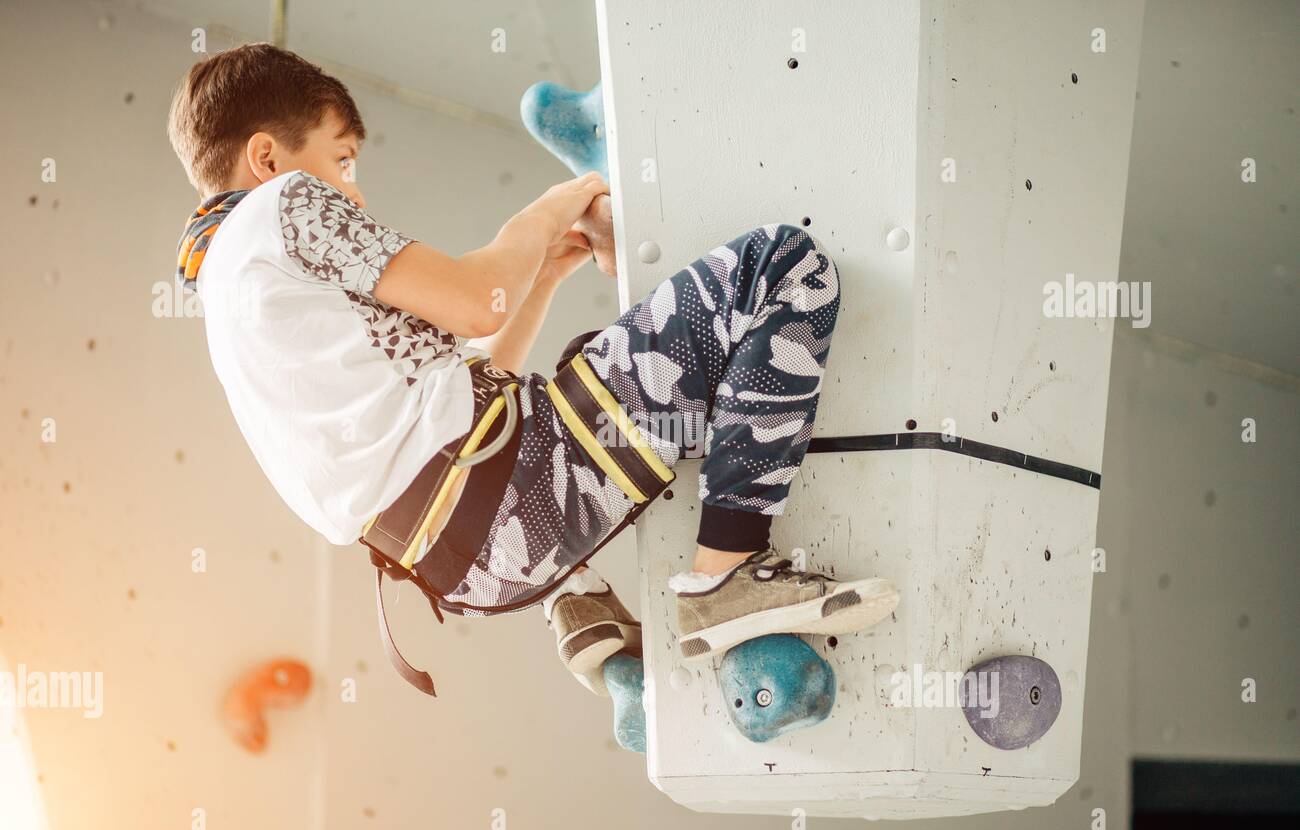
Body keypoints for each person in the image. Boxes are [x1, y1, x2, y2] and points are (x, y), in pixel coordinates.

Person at [169, 43, 897, 697]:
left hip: (478, 559)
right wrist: (553, 207)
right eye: (341, 159)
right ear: (267, 159)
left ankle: (581, 608)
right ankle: (725, 574)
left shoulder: (232, 291)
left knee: (610, 365)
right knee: (781, 268)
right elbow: (474, 303)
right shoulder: (281, 207)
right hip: (519, 483)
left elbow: (457, 391)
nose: (352, 192)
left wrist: (539, 276)